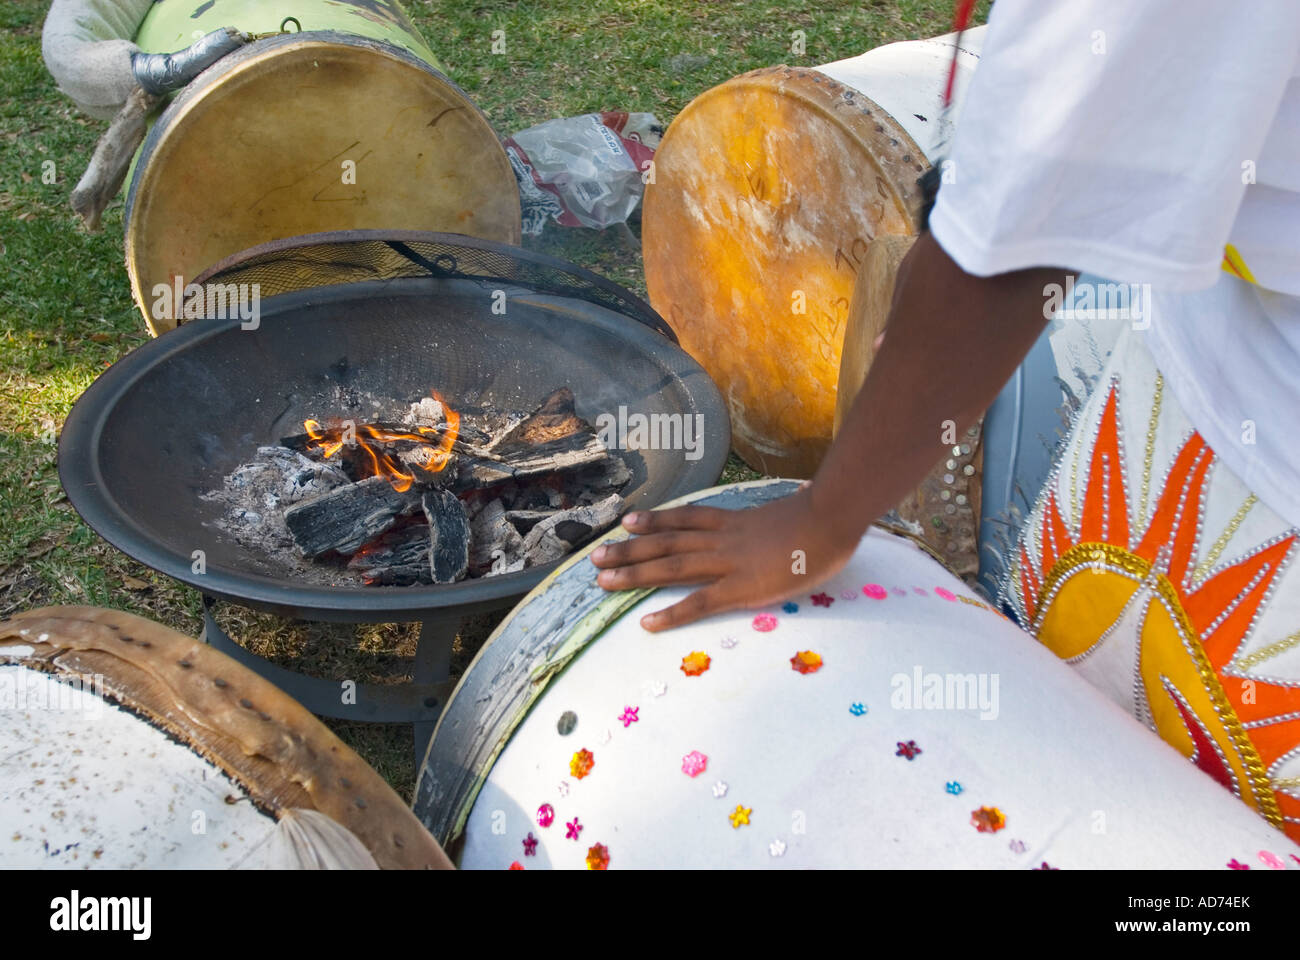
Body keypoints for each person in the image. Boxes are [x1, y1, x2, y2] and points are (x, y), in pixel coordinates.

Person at [595, 0, 1300, 840]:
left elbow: (1008, 255)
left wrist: (824, 519)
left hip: (1267, 473)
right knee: (1066, 797)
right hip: (1230, 368)